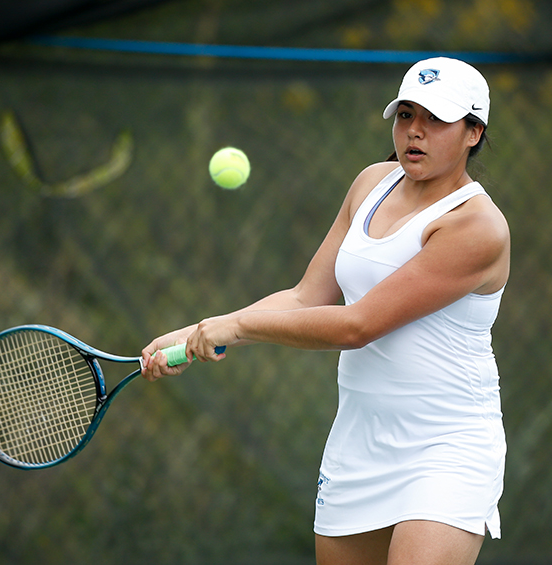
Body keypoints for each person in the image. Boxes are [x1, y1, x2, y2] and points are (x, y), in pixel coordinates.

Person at [141, 57, 510, 565]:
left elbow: (357, 325)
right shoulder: (370, 184)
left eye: (435, 119)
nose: (415, 132)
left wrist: (236, 326)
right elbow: (304, 297)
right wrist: (197, 332)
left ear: (473, 132)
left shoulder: (477, 228)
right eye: (406, 115)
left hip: (446, 448)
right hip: (358, 442)